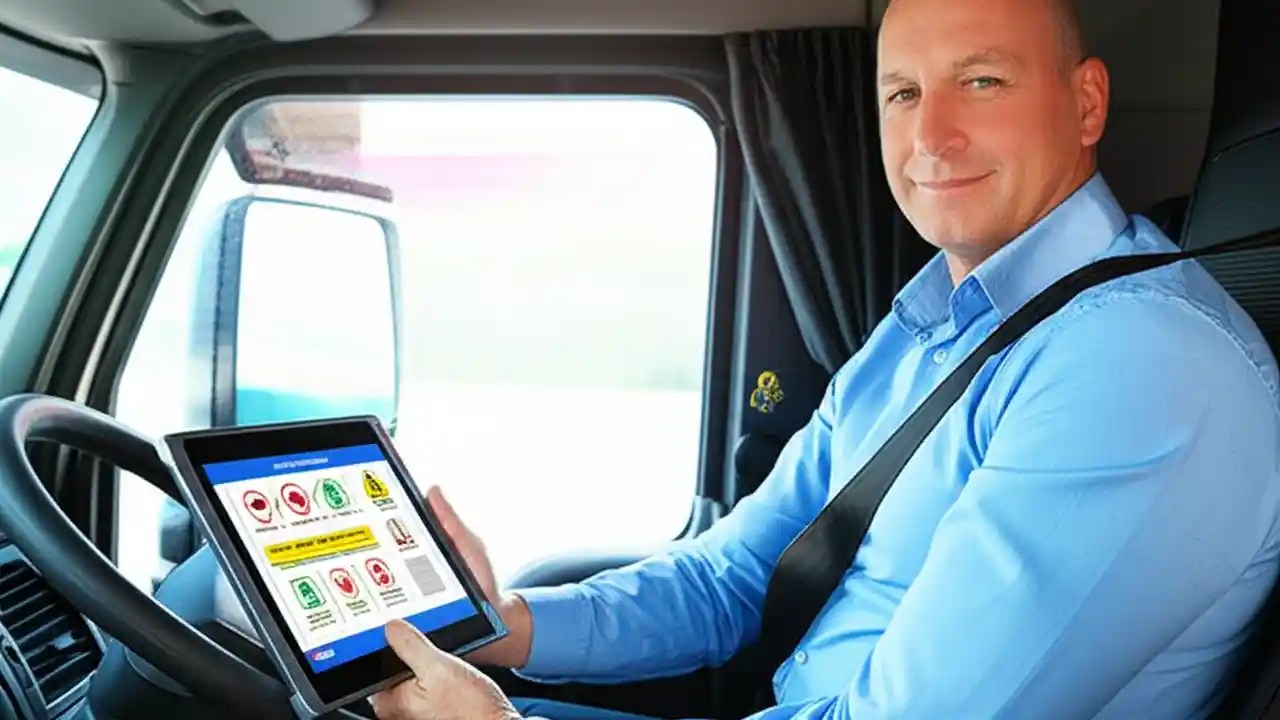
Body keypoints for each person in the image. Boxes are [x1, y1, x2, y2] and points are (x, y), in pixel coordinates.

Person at [370, 0, 1280, 717]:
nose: (931, 137)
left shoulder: (1140, 364)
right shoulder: (931, 327)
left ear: (1086, 102)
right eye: (903, 93)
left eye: (984, 81)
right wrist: (494, 628)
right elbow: (728, 578)